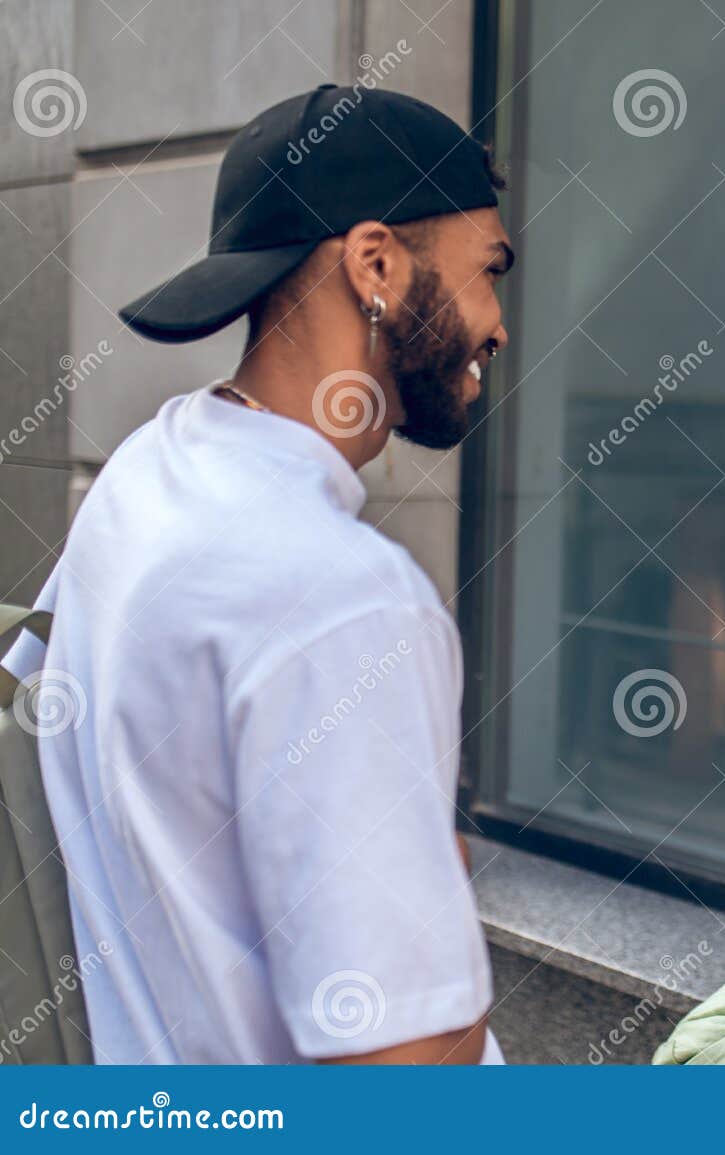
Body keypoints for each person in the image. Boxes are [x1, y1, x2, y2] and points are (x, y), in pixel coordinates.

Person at [1, 85, 514, 1063]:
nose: (496, 324)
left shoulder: (142, 476)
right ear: (375, 265)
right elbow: (406, 1077)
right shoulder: (347, 598)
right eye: (488, 270)